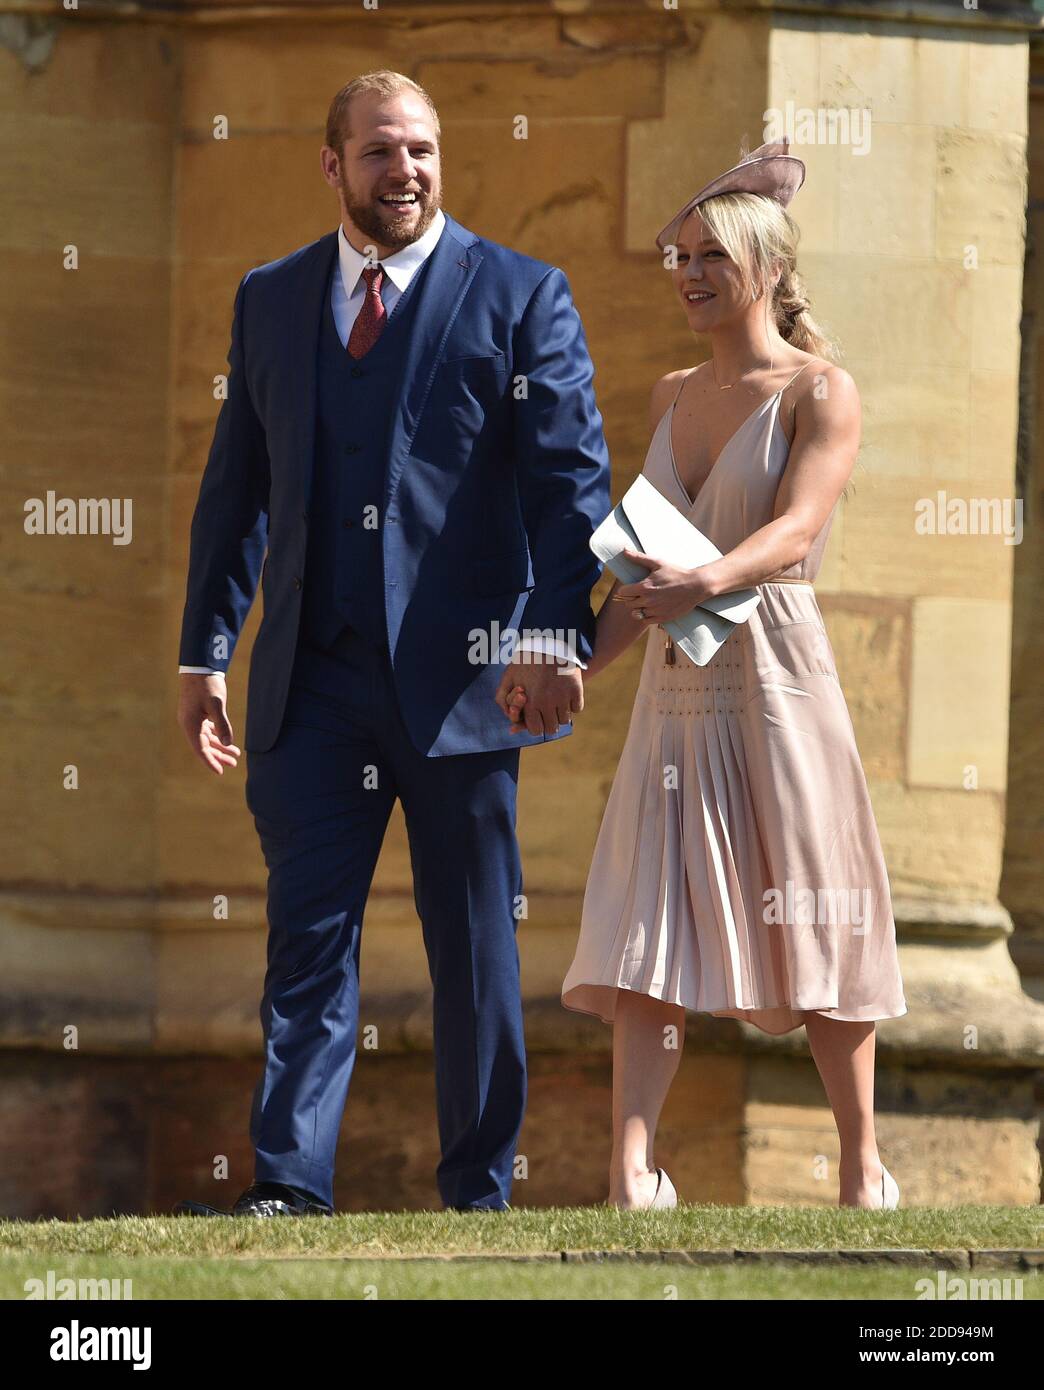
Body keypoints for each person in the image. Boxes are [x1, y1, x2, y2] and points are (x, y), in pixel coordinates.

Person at [173, 70, 610, 1217]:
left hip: (467, 684)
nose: (404, 170)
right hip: (310, 684)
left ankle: (477, 1190)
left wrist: (557, 631)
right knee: (306, 939)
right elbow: (237, 490)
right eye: (379, 152)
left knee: (474, 950)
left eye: (421, 149)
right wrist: (201, 651)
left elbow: (574, 489)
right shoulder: (270, 298)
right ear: (332, 166)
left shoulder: (522, 295)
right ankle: (289, 1184)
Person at [506, 140, 907, 1212]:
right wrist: (570, 661)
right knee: (650, 923)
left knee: (813, 908)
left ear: (766, 268)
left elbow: (796, 528)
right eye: (677, 256)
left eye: (710, 256)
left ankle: (861, 1163)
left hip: (776, 681)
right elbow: (639, 565)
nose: (688, 273)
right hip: (676, 702)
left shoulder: (823, 390)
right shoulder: (672, 393)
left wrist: (708, 577)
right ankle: (631, 1172)